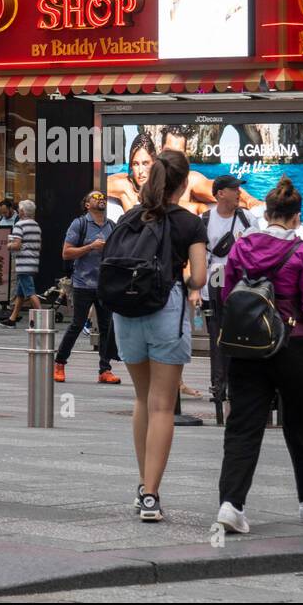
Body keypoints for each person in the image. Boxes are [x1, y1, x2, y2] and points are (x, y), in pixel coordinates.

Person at [215, 176, 303, 535]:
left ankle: (231, 505)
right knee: (301, 425)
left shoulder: (241, 246)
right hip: (292, 345)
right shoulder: (301, 251)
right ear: (296, 217)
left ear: (266, 213)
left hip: (247, 347)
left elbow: (224, 295)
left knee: (243, 426)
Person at [112, 150, 207, 523]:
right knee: (162, 405)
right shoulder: (189, 223)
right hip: (165, 310)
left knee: (141, 398)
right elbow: (198, 277)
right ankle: (151, 494)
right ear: (183, 184)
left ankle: (142, 483)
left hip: (126, 313)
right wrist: (180, 276)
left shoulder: (130, 216)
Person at [50, 190, 121, 382]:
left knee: (107, 327)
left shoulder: (111, 226)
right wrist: (90, 247)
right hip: (82, 283)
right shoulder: (79, 224)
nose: (101, 199)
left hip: (104, 284)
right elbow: (66, 253)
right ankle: (60, 363)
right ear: (87, 205)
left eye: (102, 197)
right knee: (77, 324)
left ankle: (104, 370)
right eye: (95, 197)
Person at [202, 175, 255, 407]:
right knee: (216, 336)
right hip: (213, 280)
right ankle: (218, 385)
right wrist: (197, 289)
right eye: (234, 189)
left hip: (240, 282)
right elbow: (200, 257)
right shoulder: (204, 220)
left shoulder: (247, 218)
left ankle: (237, 384)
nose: (238, 193)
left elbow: (256, 253)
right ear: (220, 193)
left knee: (240, 335)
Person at [3, 200, 43, 327]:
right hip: (33, 262)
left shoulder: (19, 225)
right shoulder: (36, 225)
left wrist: (8, 245)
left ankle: (43, 320)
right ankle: (12, 319)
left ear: (22, 211)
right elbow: (39, 245)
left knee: (30, 293)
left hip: (23, 264)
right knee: (20, 293)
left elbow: (16, 244)